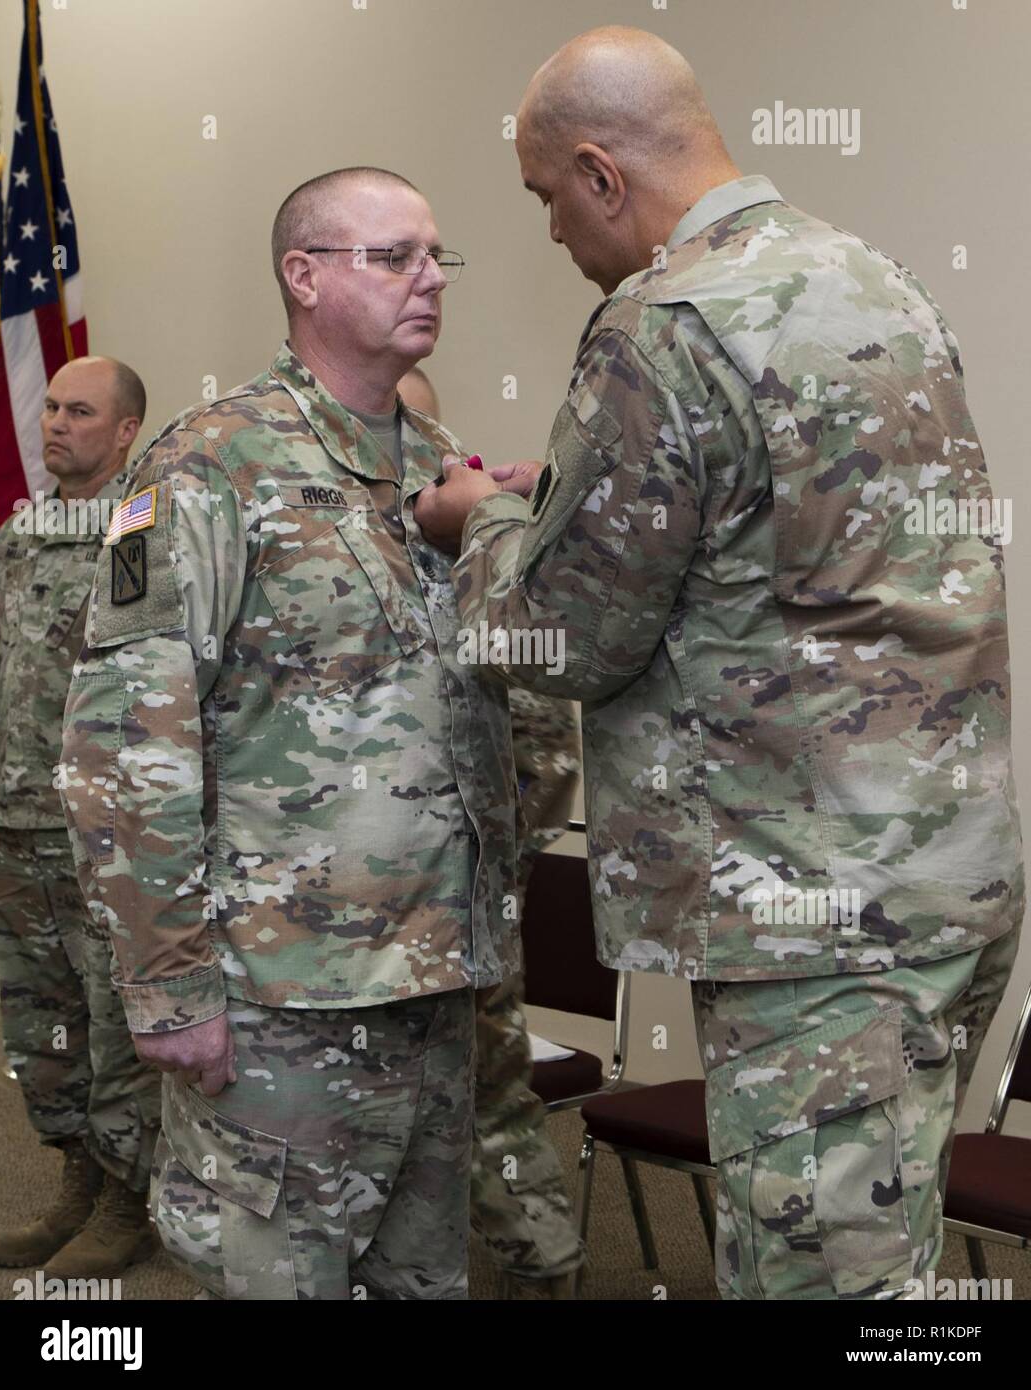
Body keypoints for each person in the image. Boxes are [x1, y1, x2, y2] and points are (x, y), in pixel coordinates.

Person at [415, 26, 1024, 1301]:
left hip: (803, 911)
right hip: (939, 873)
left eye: (542, 200)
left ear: (597, 173)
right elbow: (775, 542)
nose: (549, 238)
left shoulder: (660, 325)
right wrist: (566, 513)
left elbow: (568, 637)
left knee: (822, 1287)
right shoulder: (871, 279)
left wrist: (483, 528)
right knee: (890, 1261)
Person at [59, 168, 519, 1301]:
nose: (427, 279)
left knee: (424, 1281)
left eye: (435, 257)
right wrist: (167, 987)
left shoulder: (435, 466)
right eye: (391, 255)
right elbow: (124, 738)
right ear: (302, 276)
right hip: (281, 1000)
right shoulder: (203, 465)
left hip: (430, 981)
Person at [398, 366, 585, 1296]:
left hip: (464, 894)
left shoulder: (484, 542)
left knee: (489, 1102)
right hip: (351, 910)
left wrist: (488, 857)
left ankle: (544, 1274)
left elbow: (550, 743)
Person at [0, 356, 160, 1278]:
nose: (56, 422)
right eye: (50, 405)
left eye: (80, 410)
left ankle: (127, 1204)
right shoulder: (21, 530)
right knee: (41, 1021)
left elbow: (153, 683)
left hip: (103, 830)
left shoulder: (138, 530)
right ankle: (74, 1187)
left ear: (126, 428)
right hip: (15, 821)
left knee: (115, 1023)